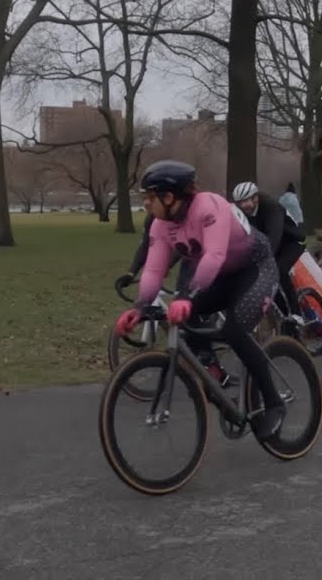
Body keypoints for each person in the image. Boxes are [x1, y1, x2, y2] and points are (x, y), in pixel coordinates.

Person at [115, 161, 286, 439]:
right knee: (184, 320)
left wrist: (188, 296)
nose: (146, 203)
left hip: (255, 268)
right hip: (222, 276)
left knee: (234, 330)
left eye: (149, 197)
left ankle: (274, 402)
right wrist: (140, 306)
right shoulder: (161, 225)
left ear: (169, 197)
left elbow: (214, 256)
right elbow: (155, 269)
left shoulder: (209, 207)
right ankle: (213, 374)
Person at [231, 181, 307, 323]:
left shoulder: (271, 207)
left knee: (278, 271)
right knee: (263, 277)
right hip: (268, 243)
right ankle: (283, 318)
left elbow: (274, 237)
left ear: (256, 197)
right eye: (241, 202)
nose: (244, 205)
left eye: (247, 200)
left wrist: (261, 261)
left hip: (292, 242)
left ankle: (297, 315)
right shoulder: (240, 211)